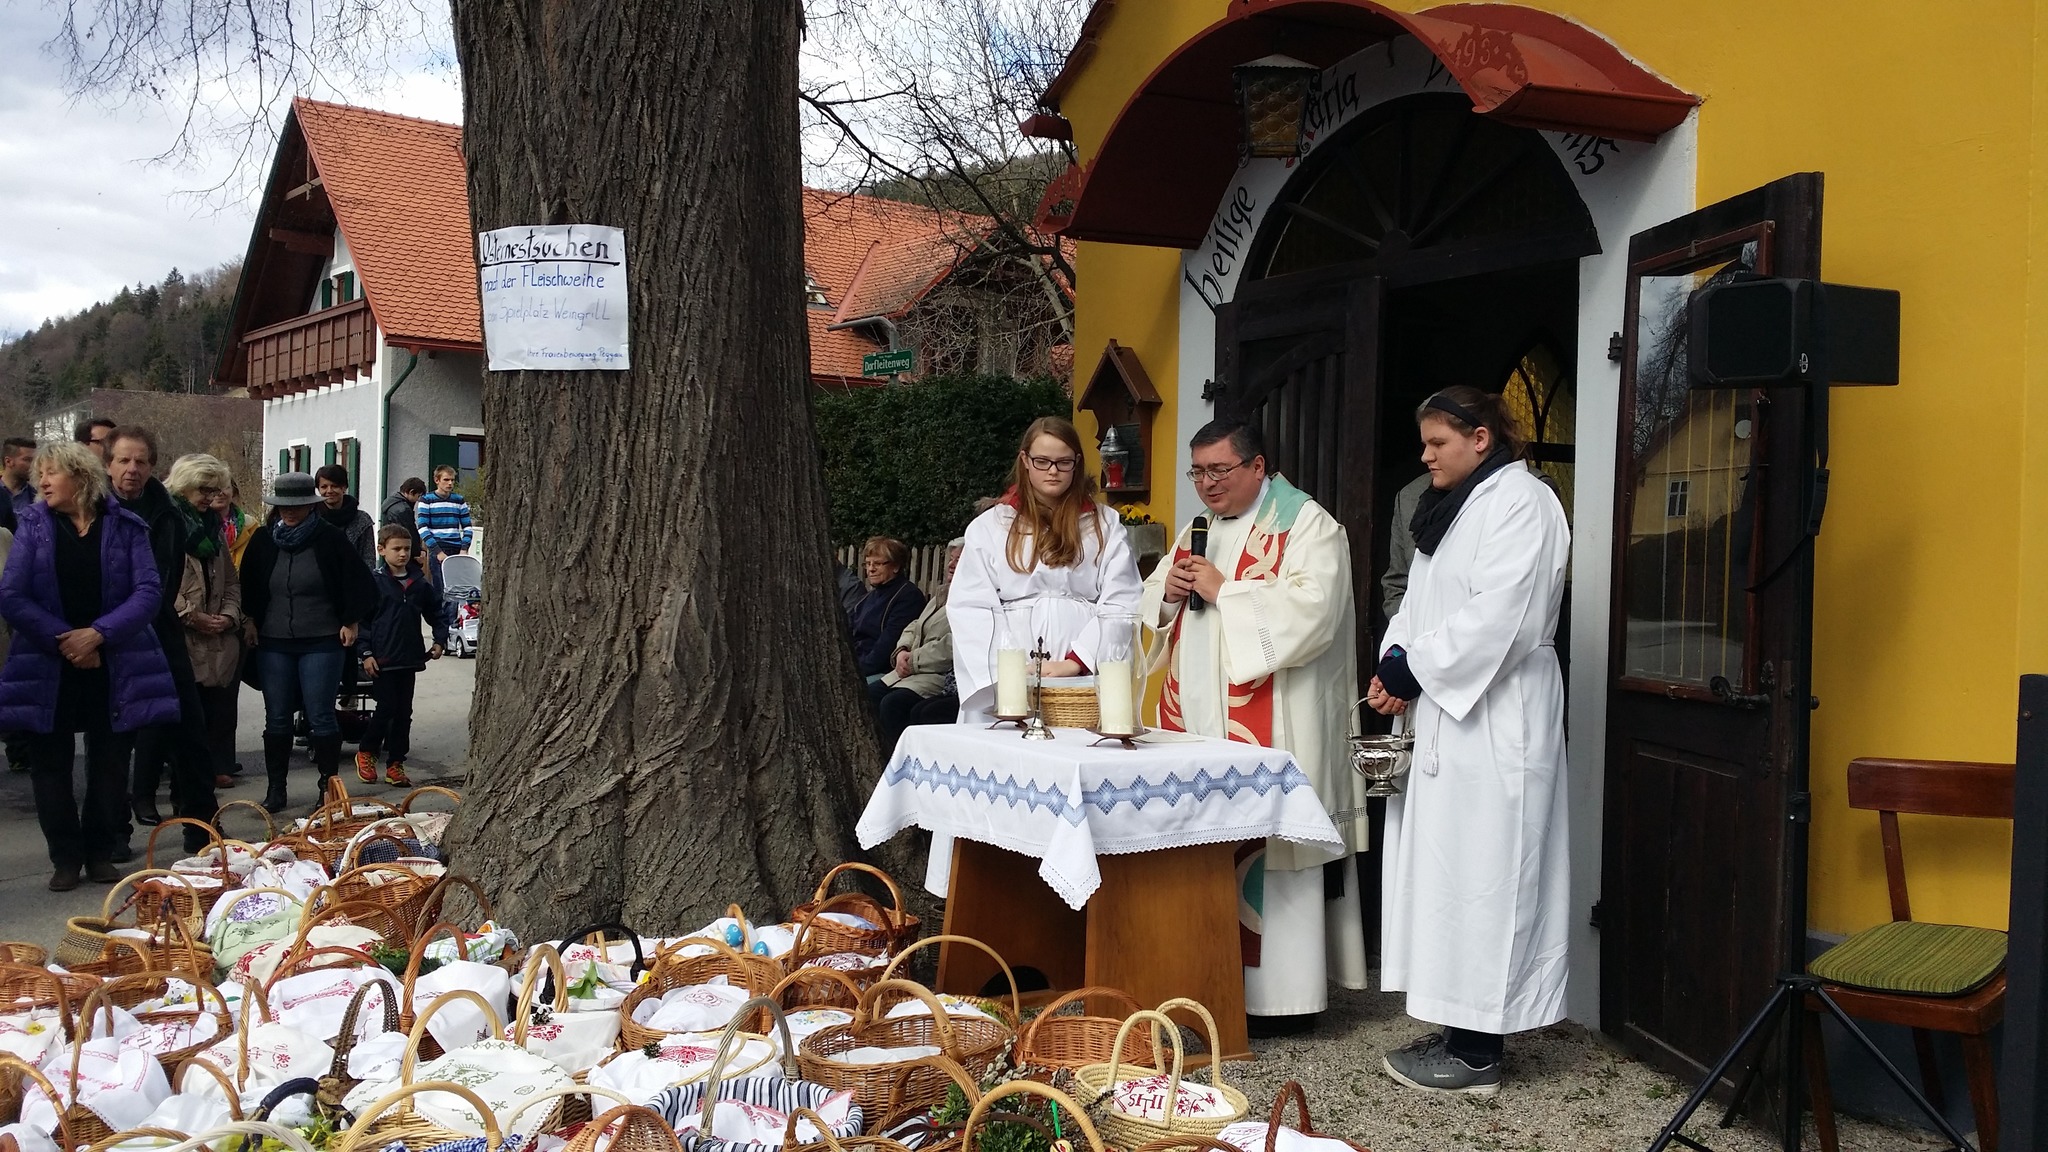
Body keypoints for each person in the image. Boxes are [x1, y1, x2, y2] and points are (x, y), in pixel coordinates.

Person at [1366, 386, 1570, 1097]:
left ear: (1480, 438)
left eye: (1437, 443)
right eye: (1424, 443)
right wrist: (1395, 663)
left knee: (1491, 872)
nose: (1425, 456)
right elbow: (1417, 605)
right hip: (1449, 710)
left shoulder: (1523, 503)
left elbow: (1503, 615)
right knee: (1450, 874)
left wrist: (1415, 668)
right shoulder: (1452, 507)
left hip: (1499, 714)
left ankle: (1480, 1052)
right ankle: (1457, 1027)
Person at [1138, 418, 1370, 1034]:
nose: (1207, 484)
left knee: (1277, 849)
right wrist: (1169, 594)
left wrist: (1227, 592)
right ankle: (1209, 981)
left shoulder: (1308, 525)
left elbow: (1316, 613)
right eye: (1198, 472)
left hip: (1276, 724)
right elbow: (1153, 602)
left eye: (1220, 470)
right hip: (1201, 723)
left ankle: (1282, 1002)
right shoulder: (1198, 528)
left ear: (1258, 466)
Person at [0, 441, 180, 890]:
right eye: (39, 474)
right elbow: (12, 595)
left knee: (110, 762)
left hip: (113, 659)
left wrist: (98, 634)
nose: (42, 482)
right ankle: (65, 857)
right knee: (50, 764)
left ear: (80, 477)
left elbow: (148, 593)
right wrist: (68, 641)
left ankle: (100, 852)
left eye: (52, 473)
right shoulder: (33, 526)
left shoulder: (127, 527)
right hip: (49, 661)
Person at [949, 417, 1142, 723]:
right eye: (1042, 461)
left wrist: (1079, 660)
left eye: (1064, 462)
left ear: (1077, 463)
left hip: (1081, 676)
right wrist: (1008, 672)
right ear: (1025, 461)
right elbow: (970, 606)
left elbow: (1122, 599)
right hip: (1011, 669)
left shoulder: (1104, 524)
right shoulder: (991, 526)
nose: (1053, 471)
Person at [241, 472, 376, 811]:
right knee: (277, 717)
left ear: (311, 505)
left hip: (322, 640)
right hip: (274, 641)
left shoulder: (330, 539)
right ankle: (276, 788)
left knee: (320, 716)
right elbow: (250, 585)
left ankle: (327, 788)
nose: (290, 512)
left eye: (298, 506)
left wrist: (350, 620)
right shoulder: (263, 540)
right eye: (283, 506)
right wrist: (251, 621)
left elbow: (359, 583)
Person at [109, 426, 216, 847]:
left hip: (161, 630)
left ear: (153, 465)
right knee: (113, 743)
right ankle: (112, 834)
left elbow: (166, 580)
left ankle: (201, 829)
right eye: (123, 460)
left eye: (141, 461)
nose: (132, 469)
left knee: (190, 735)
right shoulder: (94, 507)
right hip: (112, 635)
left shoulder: (167, 511)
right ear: (108, 464)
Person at [166, 455, 245, 792]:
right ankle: (183, 778)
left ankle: (213, 769)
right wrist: (191, 615)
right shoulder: (167, 523)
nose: (210, 498)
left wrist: (229, 614)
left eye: (214, 491)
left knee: (218, 709)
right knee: (185, 714)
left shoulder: (213, 529)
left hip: (217, 636)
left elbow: (231, 581)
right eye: (203, 490)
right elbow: (158, 581)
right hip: (180, 634)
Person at [354, 525, 447, 787]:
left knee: (404, 712)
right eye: (397, 549)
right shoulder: (375, 582)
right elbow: (363, 622)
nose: (403, 554)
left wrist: (439, 640)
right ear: (381, 550)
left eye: (407, 549)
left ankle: (395, 763)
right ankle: (366, 751)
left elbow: (436, 612)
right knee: (386, 707)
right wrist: (366, 653)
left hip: (409, 658)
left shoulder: (420, 583)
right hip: (382, 659)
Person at [867, 537, 964, 753]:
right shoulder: (942, 594)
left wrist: (913, 661)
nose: (951, 564)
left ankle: (896, 762)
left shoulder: (970, 600)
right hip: (907, 670)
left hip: (934, 674)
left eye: (959, 560)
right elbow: (914, 626)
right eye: (951, 559)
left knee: (893, 704)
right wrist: (902, 650)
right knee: (868, 694)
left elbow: (952, 645)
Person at [847, 537, 926, 681]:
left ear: (896, 566)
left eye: (878, 563)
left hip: (883, 671)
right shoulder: (867, 598)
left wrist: (855, 672)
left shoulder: (908, 597)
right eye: (868, 564)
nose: (871, 569)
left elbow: (887, 646)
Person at [1380, 472, 1432, 621]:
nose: (1426, 459)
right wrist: (1404, 629)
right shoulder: (1410, 496)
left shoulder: (1493, 500)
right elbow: (1396, 585)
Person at [416, 466, 473, 586]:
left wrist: (464, 548)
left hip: (457, 548)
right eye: (446, 480)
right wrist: (437, 551)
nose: (450, 483)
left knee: (456, 586)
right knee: (440, 586)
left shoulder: (459, 500)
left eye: (452, 480)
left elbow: (467, 527)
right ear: (437, 480)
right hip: (438, 546)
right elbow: (422, 528)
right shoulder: (427, 500)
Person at [315, 465, 376, 568]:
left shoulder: (362, 520)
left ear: (344, 487)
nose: (329, 491)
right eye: (324, 487)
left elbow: (368, 559)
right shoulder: (312, 518)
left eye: (334, 486)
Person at [381, 476, 426, 557]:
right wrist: (417, 552)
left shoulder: (390, 502)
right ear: (411, 492)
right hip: (404, 550)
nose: (418, 500)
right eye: (418, 496)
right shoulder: (404, 510)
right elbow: (410, 532)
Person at [220, 481, 260, 570]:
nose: (220, 493)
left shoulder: (251, 526)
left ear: (233, 491)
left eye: (225, 487)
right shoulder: (197, 528)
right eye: (214, 487)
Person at [4, 437, 38, 517]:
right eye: (28, 460)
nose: (34, 465)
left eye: (35, 461)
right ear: (8, 462)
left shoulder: (37, 498)